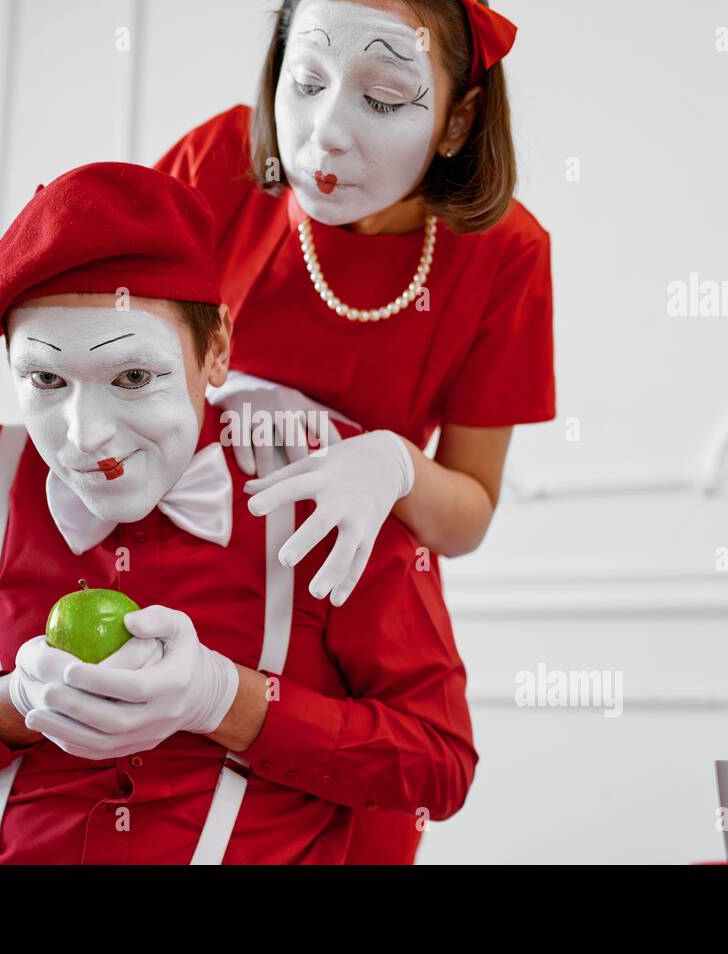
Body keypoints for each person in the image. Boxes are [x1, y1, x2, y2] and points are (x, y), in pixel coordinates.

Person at [0, 161, 477, 864]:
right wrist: (8, 706)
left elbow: (437, 767)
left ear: (217, 351)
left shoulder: (323, 475)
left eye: (134, 377)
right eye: (46, 379)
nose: (87, 437)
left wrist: (227, 701)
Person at [155, 0, 554, 863]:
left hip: (348, 631)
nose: (323, 136)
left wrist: (396, 464)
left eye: (381, 99)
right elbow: (98, 352)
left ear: (458, 119)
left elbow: (470, 512)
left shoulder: (505, 253)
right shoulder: (220, 161)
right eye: (305, 83)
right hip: (180, 591)